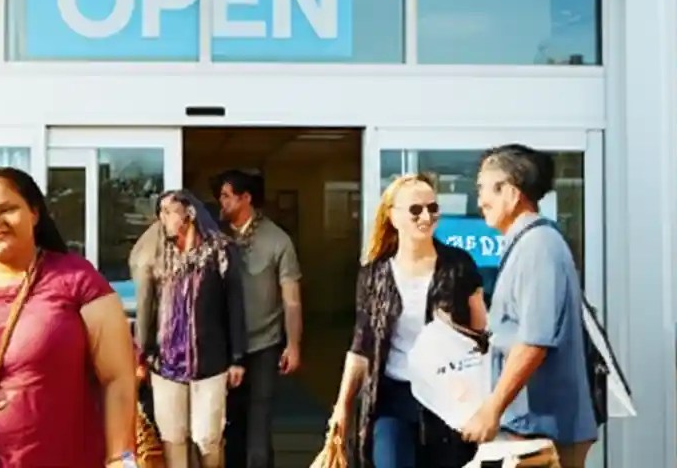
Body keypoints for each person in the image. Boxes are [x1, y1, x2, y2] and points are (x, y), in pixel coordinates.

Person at [0, 167, 138, 468]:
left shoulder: (78, 280)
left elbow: (118, 379)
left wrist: (120, 460)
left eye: (7, 209)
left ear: (34, 214)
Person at [328, 173, 486, 467]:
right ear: (393, 216)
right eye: (415, 210)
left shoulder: (458, 265)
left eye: (433, 208)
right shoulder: (374, 274)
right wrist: (342, 408)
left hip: (448, 396)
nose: (426, 216)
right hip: (393, 397)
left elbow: (481, 332)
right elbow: (361, 347)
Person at [460, 145, 596, 468]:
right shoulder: (524, 244)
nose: (479, 202)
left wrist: (492, 408)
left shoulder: (539, 247)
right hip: (527, 431)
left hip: (541, 436)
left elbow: (535, 342)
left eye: (484, 189)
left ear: (510, 191)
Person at [132, 190, 247, 468]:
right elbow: (146, 306)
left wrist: (237, 358)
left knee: (208, 437)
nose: (164, 218)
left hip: (210, 363)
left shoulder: (220, 251)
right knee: (173, 436)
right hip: (166, 364)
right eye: (161, 212)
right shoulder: (158, 253)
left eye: (169, 211)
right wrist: (141, 355)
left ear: (189, 214)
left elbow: (235, 305)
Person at [215, 169, 302, 468]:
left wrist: (293, 344)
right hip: (225, 346)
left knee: (259, 423)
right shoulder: (215, 238)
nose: (221, 202)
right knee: (230, 424)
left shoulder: (277, 240)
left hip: (265, 344)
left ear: (246, 198)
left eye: (226, 196)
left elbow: (291, 298)